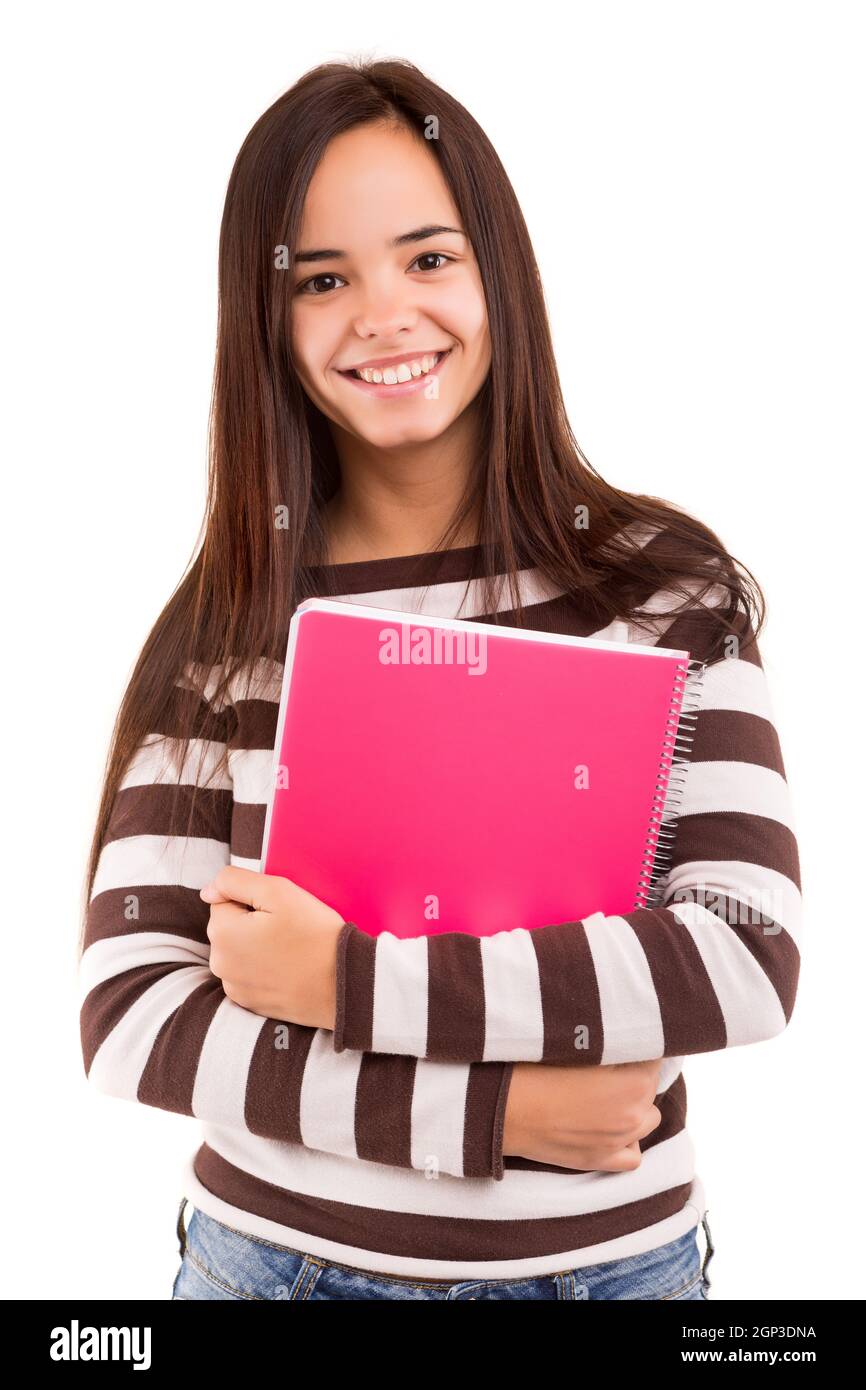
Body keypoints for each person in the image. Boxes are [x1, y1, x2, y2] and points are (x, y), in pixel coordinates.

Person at [79, 58, 800, 1301]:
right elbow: (133, 1015)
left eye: (426, 259)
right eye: (320, 278)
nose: (382, 316)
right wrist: (492, 1115)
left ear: (497, 275)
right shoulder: (225, 633)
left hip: (611, 1276)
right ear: (267, 320)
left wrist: (340, 980)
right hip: (276, 1273)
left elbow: (741, 953)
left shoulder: (663, 593)